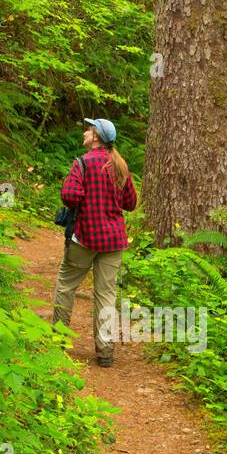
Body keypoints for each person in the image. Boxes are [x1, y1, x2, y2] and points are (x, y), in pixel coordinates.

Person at [50, 117, 137, 367]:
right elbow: (130, 203)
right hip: (113, 241)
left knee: (66, 286)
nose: (85, 133)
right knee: (106, 295)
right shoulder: (120, 166)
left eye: (88, 130)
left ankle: (58, 342)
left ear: (96, 137)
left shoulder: (83, 163)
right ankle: (105, 352)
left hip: (84, 237)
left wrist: (83, 202)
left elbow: (69, 195)